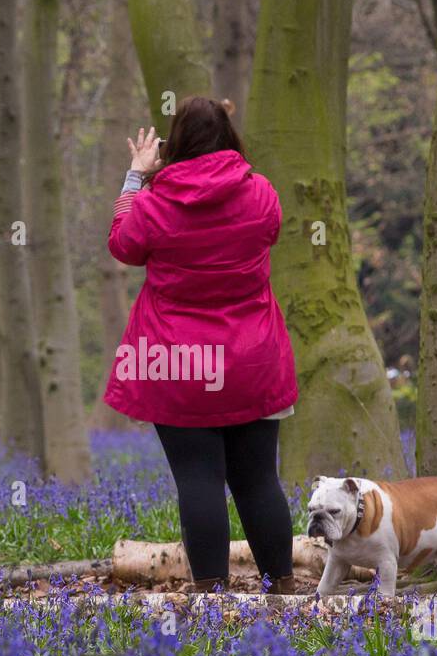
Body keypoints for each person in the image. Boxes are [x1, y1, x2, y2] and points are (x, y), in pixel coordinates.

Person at [105, 96, 299, 593]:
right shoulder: (260, 194)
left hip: (178, 361)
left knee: (197, 479)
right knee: (258, 479)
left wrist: (137, 175)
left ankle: (212, 593)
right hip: (252, 359)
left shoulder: (152, 203)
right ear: (229, 136)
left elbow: (124, 246)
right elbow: (271, 230)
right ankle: (281, 587)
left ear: (176, 142)